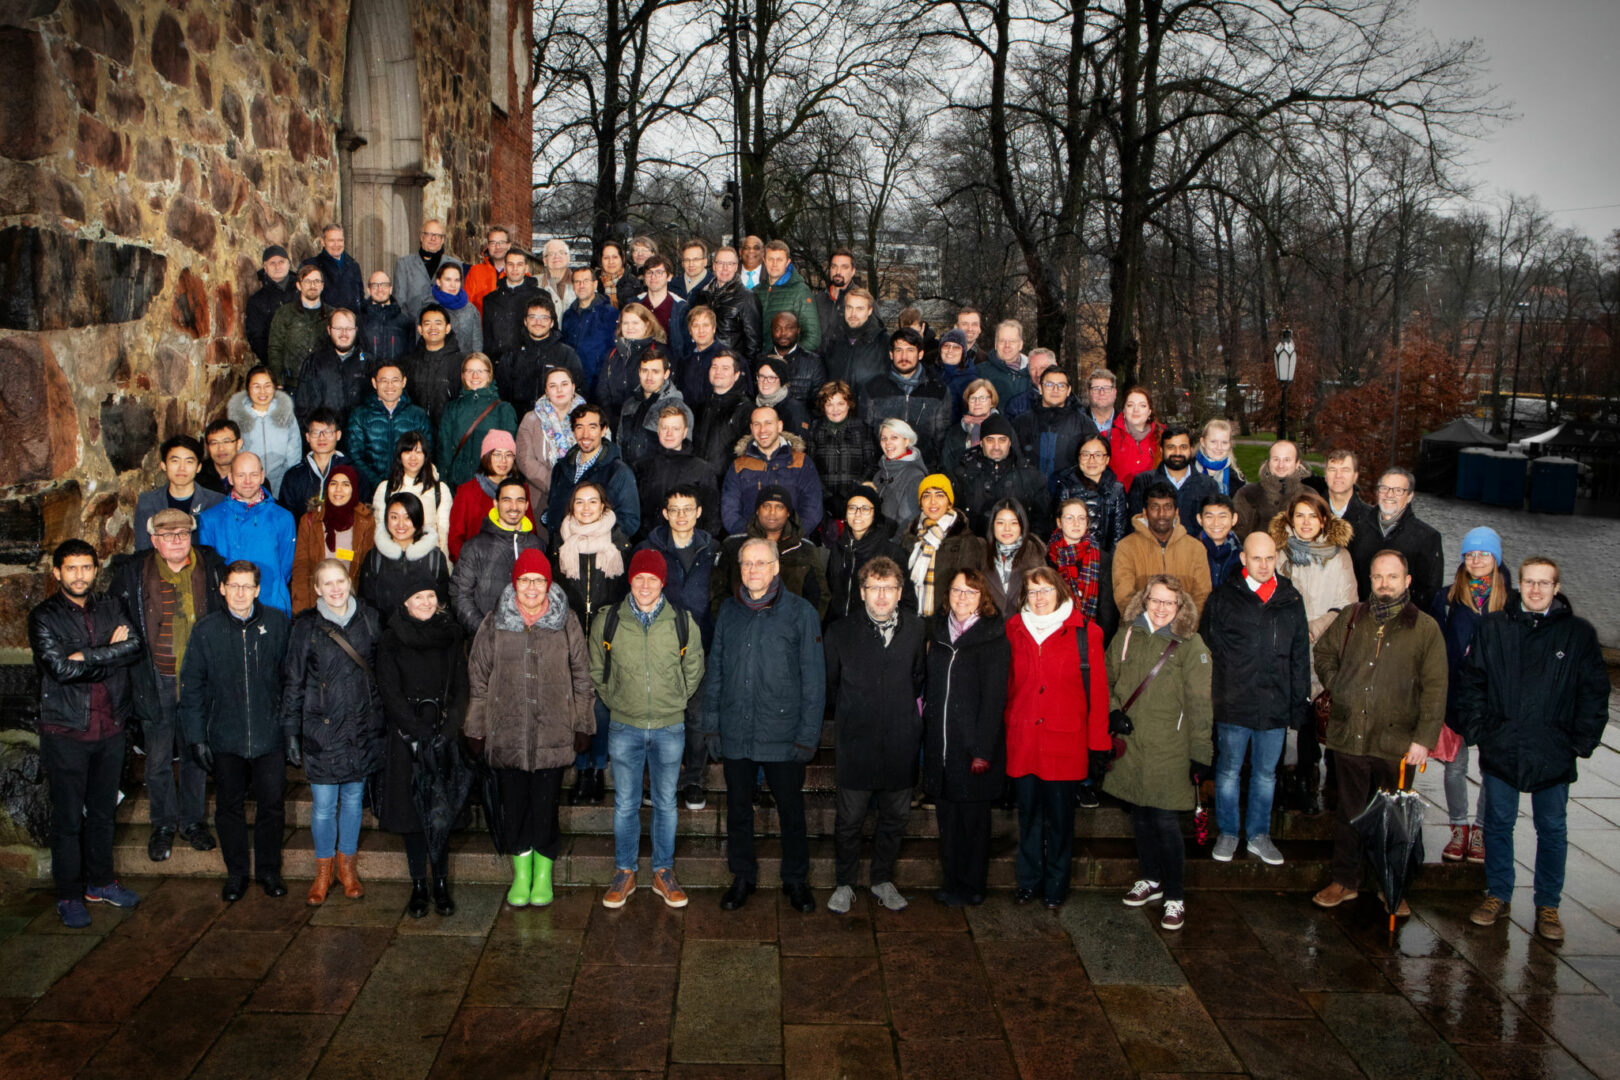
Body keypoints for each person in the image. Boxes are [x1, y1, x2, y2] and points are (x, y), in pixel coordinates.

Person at [1457, 557, 1611, 940]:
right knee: (1497, 824)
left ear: (1556, 588)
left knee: (1553, 828)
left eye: (1545, 583)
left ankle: (1548, 905)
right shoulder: (1493, 627)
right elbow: (1471, 681)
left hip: (1552, 750)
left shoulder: (1578, 634)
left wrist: (1579, 742)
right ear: (1518, 585)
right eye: (1530, 582)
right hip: (1503, 746)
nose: (1536, 590)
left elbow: (1594, 692)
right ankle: (1497, 893)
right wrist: (1481, 730)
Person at [1311, 550, 1447, 915]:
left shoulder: (1426, 628)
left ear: (1407, 581)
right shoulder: (1353, 617)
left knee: (1394, 818)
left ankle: (1392, 886)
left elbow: (1435, 688)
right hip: (1350, 736)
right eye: (1377, 577)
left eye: (1392, 577)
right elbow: (1323, 652)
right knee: (1349, 814)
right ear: (1370, 579)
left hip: (1396, 742)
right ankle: (1345, 881)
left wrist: (1423, 740)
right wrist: (1338, 685)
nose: (1384, 584)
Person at [465, 549, 595, 909]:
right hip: (506, 733)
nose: (532, 588)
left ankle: (543, 877)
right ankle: (521, 875)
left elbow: (583, 676)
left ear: (548, 584)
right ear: (515, 583)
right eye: (525, 580)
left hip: (553, 733)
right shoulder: (494, 622)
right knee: (514, 807)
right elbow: (478, 679)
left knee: (545, 808)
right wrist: (475, 728)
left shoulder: (565, 621)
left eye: (539, 580)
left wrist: (583, 722)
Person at [704, 536, 827, 913]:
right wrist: (712, 724)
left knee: (791, 811)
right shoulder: (728, 610)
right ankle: (742, 877)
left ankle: (796, 880)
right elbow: (717, 670)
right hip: (738, 730)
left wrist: (808, 736)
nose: (752, 570)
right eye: (746, 564)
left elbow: (813, 678)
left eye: (761, 563)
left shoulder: (801, 613)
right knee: (738, 810)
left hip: (783, 733)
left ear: (776, 567)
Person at [30, 540, 143, 927]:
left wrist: (88, 656)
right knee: (67, 820)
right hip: (66, 731)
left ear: (96, 570)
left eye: (86, 567)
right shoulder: (43, 617)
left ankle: (100, 883)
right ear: (57, 572)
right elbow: (60, 670)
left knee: (101, 814)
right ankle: (68, 895)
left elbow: (134, 647)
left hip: (110, 726)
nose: (80, 575)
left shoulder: (112, 606)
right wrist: (106, 654)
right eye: (71, 568)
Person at [590, 550, 707, 909]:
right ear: (630, 580)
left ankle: (663, 871)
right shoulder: (609, 620)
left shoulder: (681, 622)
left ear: (662, 583)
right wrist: (618, 701)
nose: (644, 585)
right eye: (638, 578)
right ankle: (625, 872)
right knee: (625, 803)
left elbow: (694, 670)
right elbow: (598, 669)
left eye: (652, 579)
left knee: (666, 803)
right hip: (625, 725)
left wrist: (674, 701)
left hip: (670, 727)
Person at [108, 508, 226, 860]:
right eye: (168, 534)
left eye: (182, 533)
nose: (176, 540)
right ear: (154, 540)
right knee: (158, 758)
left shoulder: (212, 567)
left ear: (192, 534)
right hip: (154, 677)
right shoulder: (134, 572)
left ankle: (192, 822)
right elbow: (114, 610)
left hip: (198, 680)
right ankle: (162, 824)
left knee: (195, 754)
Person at [179, 560, 292, 901]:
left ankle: (270, 871)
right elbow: (193, 687)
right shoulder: (206, 630)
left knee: (272, 806)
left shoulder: (277, 624)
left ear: (258, 590)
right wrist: (196, 737)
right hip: (225, 736)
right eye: (234, 586)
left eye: (248, 587)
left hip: (269, 734)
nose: (241, 593)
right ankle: (237, 873)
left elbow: (291, 681)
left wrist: (290, 729)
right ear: (223, 588)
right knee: (228, 807)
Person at [1107, 575, 1214, 931]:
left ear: (1180, 606)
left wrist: (1201, 753)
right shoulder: (1126, 636)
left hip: (1172, 747)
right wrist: (1112, 711)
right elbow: (1107, 681)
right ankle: (1150, 879)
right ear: (1144, 600)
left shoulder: (1190, 644)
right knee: (1140, 813)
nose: (1162, 607)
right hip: (1133, 745)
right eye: (1156, 600)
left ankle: (1175, 896)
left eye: (1170, 602)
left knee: (1166, 822)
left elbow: (1201, 704)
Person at [1199, 531, 1311, 866]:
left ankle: (1259, 835)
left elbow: (1299, 655)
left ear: (1277, 558)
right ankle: (1229, 832)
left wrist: (1298, 704)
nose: (1263, 565)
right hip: (1234, 702)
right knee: (1229, 769)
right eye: (1256, 558)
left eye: (1269, 558)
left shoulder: (1291, 599)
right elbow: (1208, 649)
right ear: (1243, 559)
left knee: (1266, 773)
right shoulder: (1223, 598)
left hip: (1274, 704)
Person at [823, 556, 927, 914]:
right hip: (856, 741)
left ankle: (882, 879)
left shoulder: (915, 630)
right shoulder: (840, 632)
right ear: (862, 591)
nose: (881, 596)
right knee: (849, 819)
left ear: (900, 592)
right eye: (874, 588)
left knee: (895, 817)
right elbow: (832, 684)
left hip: (901, 740)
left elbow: (918, 677)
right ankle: (844, 882)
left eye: (888, 588)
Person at [281, 558, 385, 905]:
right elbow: (293, 681)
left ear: (349, 582)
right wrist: (290, 731)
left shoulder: (369, 619)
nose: (336, 589)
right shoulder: (306, 627)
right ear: (317, 590)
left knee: (353, 801)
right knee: (324, 805)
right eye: (327, 584)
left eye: (340, 581)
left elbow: (381, 672)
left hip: (359, 726)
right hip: (321, 728)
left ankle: (347, 868)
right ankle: (323, 872)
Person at [1005, 566, 1110, 908]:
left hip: (1064, 743)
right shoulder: (1013, 630)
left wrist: (1098, 745)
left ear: (1060, 592)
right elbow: (1007, 689)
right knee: (1029, 816)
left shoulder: (1086, 633)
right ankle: (1029, 880)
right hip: (1024, 742)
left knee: (1061, 821)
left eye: (1045, 590)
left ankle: (1056, 884)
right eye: (1032, 592)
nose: (1038, 598)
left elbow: (1097, 693)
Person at [377, 581, 469, 918]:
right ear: (405, 601)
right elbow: (389, 689)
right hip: (407, 738)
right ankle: (419, 885)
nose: (427, 602)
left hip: (443, 734)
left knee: (441, 814)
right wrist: (415, 732)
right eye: (419, 596)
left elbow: (462, 688)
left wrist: (448, 730)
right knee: (413, 816)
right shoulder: (391, 638)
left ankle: (441, 883)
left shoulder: (450, 633)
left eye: (431, 596)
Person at [922, 569, 1009, 906]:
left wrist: (983, 750)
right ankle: (951, 881)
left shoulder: (993, 637)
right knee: (948, 821)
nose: (962, 598)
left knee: (973, 823)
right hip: (941, 745)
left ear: (982, 598)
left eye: (971, 593)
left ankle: (972, 885)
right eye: (957, 590)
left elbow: (994, 700)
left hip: (973, 747)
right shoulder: (937, 631)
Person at [1268, 490, 1357, 814]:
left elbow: (1348, 603)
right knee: (1283, 711)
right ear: (1291, 519)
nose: (1306, 523)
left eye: (1312, 516)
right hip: (1284, 646)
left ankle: (1307, 779)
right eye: (1300, 515)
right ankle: (1280, 780)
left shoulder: (1339, 556)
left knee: (1310, 714)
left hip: (1323, 646)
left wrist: (1316, 625)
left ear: (1323, 520)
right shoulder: (1278, 552)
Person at [1427, 527, 1511, 862]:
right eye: (1470, 554)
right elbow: (1433, 649)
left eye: (1484, 554)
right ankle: (1459, 827)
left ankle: (1481, 829)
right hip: (1456, 695)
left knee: (1491, 767)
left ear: (1496, 558)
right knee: (1454, 766)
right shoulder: (1446, 599)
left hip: (1494, 699)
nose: (1476, 561)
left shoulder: (1511, 602)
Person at [635, 485, 720, 809]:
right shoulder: (648, 549)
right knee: (657, 716)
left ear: (699, 512)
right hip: (659, 647)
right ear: (665, 513)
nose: (681, 515)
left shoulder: (713, 550)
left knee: (696, 718)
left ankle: (693, 780)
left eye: (688, 509)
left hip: (702, 646)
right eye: (675, 509)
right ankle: (656, 781)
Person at [550, 481, 632, 802]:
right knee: (574, 706)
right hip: (569, 638)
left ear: (603, 506)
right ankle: (580, 769)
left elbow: (626, 596)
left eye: (592, 502)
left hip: (606, 640)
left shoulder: (619, 545)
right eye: (579, 502)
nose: (586, 508)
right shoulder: (559, 543)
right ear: (571, 508)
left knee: (599, 710)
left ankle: (596, 769)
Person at [199, 452, 298, 615]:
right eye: (240, 475)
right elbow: (210, 571)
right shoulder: (211, 519)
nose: (247, 481)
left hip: (272, 604)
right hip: (228, 609)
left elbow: (286, 565)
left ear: (262, 476)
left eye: (253, 475)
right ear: (230, 478)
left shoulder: (283, 517)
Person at [713, 485, 829, 620]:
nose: (772, 512)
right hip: (742, 631)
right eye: (766, 506)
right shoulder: (734, 546)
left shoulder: (804, 549)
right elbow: (718, 594)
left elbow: (820, 596)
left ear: (788, 512)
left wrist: (802, 629)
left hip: (789, 632)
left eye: (779, 507)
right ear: (757, 510)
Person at [451, 477, 543, 633]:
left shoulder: (537, 546)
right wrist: (485, 631)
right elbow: (460, 595)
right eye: (507, 500)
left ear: (527, 505)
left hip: (529, 641)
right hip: (488, 642)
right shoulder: (475, 546)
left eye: (520, 500)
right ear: (496, 503)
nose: (514, 507)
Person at [1348, 467, 1445, 609]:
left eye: (1398, 490)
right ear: (1377, 492)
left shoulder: (1427, 537)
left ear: (1410, 495)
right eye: (1384, 488)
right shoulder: (1357, 530)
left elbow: (1430, 589)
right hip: (1362, 615)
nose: (1389, 495)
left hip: (1404, 620)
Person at [719, 405, 823, 537]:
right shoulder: (739, 465)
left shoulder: (801, 462)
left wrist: (789, 536)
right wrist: (753, 537)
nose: (762, 430)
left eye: (768, 423)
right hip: (750, 544)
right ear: (751, 428)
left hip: (792, 542)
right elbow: (729, 512)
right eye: (757, 424)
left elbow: (812, 508)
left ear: (779, 426)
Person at [544, 403, 642, 539]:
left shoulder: (619, 472)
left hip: (599, 554)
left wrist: (591, 539)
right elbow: (554, 508)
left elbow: (630, 521)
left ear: (603, 430)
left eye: (592, 427)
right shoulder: (561, 468)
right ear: (573, 431)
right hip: (562, 551)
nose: (585, 435)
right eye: (579, 427)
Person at [1113, 481, 1212, 615]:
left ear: (1176, 512)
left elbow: (1202, 596)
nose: (1161, 514)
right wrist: (1150, 625)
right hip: (1139, 630)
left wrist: (1184, 626)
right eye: (1155, 507)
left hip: (1184, 631)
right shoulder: (1126, 547)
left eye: (1167, 507)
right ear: (1145, 512)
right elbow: (1124, 596)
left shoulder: (1196, 548)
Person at [949, 413, 1051, 538]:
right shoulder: (962, 474)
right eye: (990, 440)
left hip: (1018, 551)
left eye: (1002, 440)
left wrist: (1028, 549)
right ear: (981, 443)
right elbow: (954, 520)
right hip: (974, 549)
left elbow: (1040, 522)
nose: (996, 446)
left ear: (1009, 442)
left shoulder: (1030, 477)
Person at [859, 328, 951, 465]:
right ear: (891, 354)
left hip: (923, 469)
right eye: (899, 350)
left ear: (920, 354)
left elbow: (941, 438)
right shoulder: (873, 388)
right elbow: (865, 434)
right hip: (883, 469)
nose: (904, 356)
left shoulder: (938, 390)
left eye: (910, 350)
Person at [901, 474, 987, 620]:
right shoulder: (909, 538)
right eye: (926, 496)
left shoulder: (965, 540)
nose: (932, 502)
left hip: (947, 621)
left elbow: (968, 590)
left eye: (940, 495)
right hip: (913, 620)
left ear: (949, 502)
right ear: (921, 503)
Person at [290, 465, 374, 612]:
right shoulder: (310, 521)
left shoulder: (366, 521)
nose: (338, 490)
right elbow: (301, 568)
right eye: (333, 483)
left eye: (345, 484)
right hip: (316, 605)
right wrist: (301, 610)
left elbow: (368, 572)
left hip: (352, 605)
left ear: (354, 488)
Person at [360, 491, 450, 628]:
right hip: (385, 640)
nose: (401, 525)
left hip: (424, 641)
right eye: (394, 517)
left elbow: (443, 605)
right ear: (386, 519)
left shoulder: (434, 557)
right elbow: (366, 605)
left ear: (418, 520)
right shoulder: (374, 557)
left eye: (408, 518)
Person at [342, 361, 433, 496]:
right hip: (370, 491)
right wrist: (379, 485)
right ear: (374, 383)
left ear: (403, 382)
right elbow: (354, 456)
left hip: (409, 491)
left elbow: (427, 452)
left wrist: (406, 483)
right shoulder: (359, 416)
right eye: (383, 381)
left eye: (395, 380)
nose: (390, 386)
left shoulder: (418, 416)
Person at [633, 406, 719, 540]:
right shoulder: (643, 466)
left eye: (675, 429)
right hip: (653, 542)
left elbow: (712, 518)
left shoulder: (702, 469)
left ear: (684, 432)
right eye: (664, 428)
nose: (669, 434)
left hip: (689, 544)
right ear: (658, 431)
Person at [436, 352, 517, 489]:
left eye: (480, 371)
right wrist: (443, 485)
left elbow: (509, 454)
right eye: (470, 371)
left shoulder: (503, 410)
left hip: (491, 486)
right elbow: (444, 451)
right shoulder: (452, 408)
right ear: (463, 375)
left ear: (489, 375)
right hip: (458, 485)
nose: (475, 376)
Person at [824, 490, 907, 622]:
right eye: (852, 508)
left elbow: (906, 602)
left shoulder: (891, 553)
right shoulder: (839, 548)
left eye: (865, 509)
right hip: (840, 630)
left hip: (874, 631)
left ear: (875, 514)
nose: (858, 514)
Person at [1047, 497, 1119, 647]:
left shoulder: (1102, 558)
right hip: (1056, 638)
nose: (1076, 523)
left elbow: (1107, 611)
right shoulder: (1048, 558)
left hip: (1093, 639)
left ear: (1088, 522)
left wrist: (1096, 642)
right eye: (1069, 518)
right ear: (1059, 522)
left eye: (1081, 518)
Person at [515, 365, 585, 518]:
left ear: (573, 387)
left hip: (583, 499)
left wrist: (582, 489)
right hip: (543, 497)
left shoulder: (590, 416)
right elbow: (525, 460)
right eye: (553, 386)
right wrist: (555, 485)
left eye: (564, 384)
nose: (559, 390)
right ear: (546, 391)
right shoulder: (531, 419)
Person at [371, 431, 454, 558]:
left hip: (428, 559)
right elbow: (380, 530)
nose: (413, 457)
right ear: (400, 456)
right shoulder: (385, 488)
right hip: (393, 559)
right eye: (408, 452)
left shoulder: (440, 490)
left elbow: (444, 533)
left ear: (425, 456)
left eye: (418, 452)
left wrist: (443, 566)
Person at [1126, 425, 1222, 534]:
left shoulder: (1208, 486)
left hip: (1194, 548)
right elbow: (1134, 527)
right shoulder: (1144, 482)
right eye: (1171, 447)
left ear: (1191, 449)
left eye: (1183, 447)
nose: (1177, 453)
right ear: (1162, 450)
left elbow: (1211, 528)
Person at [133, 435, 224, 547]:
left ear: (198, 467)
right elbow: (143, 549)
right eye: (175, 461)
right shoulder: (147, 502)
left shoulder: (217, 502)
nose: (182, 468)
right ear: (163, 465)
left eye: (189, 462)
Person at [497, 299, 585, 412]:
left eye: (544, 318)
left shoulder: (566, 354)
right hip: (519, 421)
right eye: (532, 317)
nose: (538, 322)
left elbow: (579, 391)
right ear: (525, 321)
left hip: (556, 422)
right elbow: (502, 394)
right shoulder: (512, 354)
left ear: (552, 323)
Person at [807, 381, 877, 521]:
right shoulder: (815, 429)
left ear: (849, 404)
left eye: (840, 403)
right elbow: (809, 467)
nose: (835, 409)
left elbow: (871, 465)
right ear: (823, 407)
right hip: (824, 502)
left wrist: (852, 492)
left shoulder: (863, 429)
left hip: (856, 499)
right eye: (829, 404)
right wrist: (827, 496)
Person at [618, 346, 695, 468]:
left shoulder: (677, 407)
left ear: (666, 374)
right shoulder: (629, 404)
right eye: (645, 371)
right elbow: (619, 442)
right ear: (639, 372)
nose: (649, 377)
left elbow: (684, 453)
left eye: (655, 371)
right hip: (630, 476)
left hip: (658, 478)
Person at [293, 309, 371, 430]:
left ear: (356, 330)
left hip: (359, 438)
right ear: (329, 330)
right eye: (338, 328)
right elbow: (303, 407)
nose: (343, 333)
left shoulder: (368, 362)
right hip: (326, 438)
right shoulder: (314, 362)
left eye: (348, 329)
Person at [449, 430, 521, 560]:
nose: (503, 461)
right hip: (475, 567)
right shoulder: (466, 492)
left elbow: (530, 533)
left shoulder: (521, 490)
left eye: (508, 455)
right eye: (497, 454)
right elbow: (455, 540)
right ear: (486, 456)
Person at [1011, 363, 1089, 483]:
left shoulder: (1083, 424)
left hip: (1069, 494)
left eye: (1061, 385)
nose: (1055, 390)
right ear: (1040, 389)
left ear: (1068, 390)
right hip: (1029, 493)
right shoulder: (1021, 422)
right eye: (1049, 385)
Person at [1051, 437, 1130, 552]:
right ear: (1078, 457)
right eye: (1086, 454)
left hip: (1105, 558)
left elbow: (1119, 533)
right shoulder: (1066, 487)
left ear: (1107, 459)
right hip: (1070, 555)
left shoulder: (1116, 489)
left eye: (1098, 455)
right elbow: (1057, 530)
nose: (1091, 460)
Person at [691, 245, 763, 363]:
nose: (725, 268)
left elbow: (754, 344)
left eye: (730, 264)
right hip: (704, 363)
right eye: (720, 263)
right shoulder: (702, 295)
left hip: (731, 367)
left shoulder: (747, 298)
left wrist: (742, 372)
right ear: (714, 266)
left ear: (736, 267)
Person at [398, 304, 465, 430]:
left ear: (447, 328)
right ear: (420, 329)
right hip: (416, 434)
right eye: (427, 323)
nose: (433, 328)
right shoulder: (408, 363)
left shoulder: (461, 362)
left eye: (438, 323)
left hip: (450, 434)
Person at [277, 407, 352, 518]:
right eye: (316, 432)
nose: (321, 438)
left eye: (328, 432)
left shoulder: (353, 473)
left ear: (338, 435)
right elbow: (285, 517)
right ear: (307, 437)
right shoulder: (293, 476)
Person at [266, 263, 331, 390]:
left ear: (322, 286)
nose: (312, 285)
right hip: (293, 385)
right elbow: (275, 349)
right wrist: (278, 381)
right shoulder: (284, 313)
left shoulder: (332, 315)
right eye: (307, 281)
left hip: (323, 384)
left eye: (317, 281)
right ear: (298, 285)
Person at [1233, 439, 1312, 540]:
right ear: (1268, 462)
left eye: (1287, 460)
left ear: (1297, 463)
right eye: (1276, 459)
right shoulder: (1247, 494)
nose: (1281, 465)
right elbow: (1238, 535)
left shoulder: (1309, 495)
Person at [695, 349, 757, 478]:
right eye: (714, 367)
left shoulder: (746, 409)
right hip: (700, 481)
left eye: (725, 368)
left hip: (729, 482)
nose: (718, 372)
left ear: (736, 375)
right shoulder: (700, 407)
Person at [982, 499, 1048, 618]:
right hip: (989, 629)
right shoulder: (981, 552)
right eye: (1000, 523)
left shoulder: (1034, 553)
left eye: (1014, 523)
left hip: (1023, 628)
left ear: (1022, 526)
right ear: (992, 525)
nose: (1007, 529)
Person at [753, 240, 821, 352]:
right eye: (771, 259)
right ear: (764, 261)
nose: (774, 264)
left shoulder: (800, 291)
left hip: (788, 364)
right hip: (760, 362)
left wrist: (787, 358)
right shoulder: (756, 291)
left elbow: (813, 337)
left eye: (779, 260)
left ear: (788, 262)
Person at [595, 301, 663, 413]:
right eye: (625, 323)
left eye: (635, 323)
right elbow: (602, 390)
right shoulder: (613, 353)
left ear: (647, 325)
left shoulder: (658, 351)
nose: (630, 327)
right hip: (614, 420)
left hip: (644, 419)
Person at [481, 248, 544, 364]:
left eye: (519, 264)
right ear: (505, 267)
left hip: (531, 364)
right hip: (499, 365)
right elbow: (487, 339)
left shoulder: (541, 296)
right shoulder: (490, 300)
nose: (515, 269)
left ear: (526, 268)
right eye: (511, 264)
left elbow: (550, 332)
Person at [820, 286, 888, 391]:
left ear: (869, 311)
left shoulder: (883, 342)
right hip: (838, 406)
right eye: (849, 307)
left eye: (859, 309)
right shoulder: (831, 340)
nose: (853, 314)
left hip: (869, 405)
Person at [563, 264, 620, 388]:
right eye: (577, 282)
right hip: (573, 381)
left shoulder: (610, 314)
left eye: (586, 281)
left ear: (595, 284)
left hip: (599, 383)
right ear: (573, 286)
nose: (581, 285)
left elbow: (615, 351)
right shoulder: (568, 315)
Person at [631, 256, 694, 363]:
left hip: (670, 368)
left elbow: (686, 347)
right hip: (639, 365)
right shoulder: (634, 304)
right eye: (649, 272)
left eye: (659, 272)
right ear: (644, 277)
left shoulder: (680, 308)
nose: (653, 277)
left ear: (669, 277)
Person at [393, 218, 459, 319]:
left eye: (438, 236)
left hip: (446, 328)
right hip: (412, 327)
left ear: (443, 240)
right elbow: (399, 301)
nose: (434, 239)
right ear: (421, 237)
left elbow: (458, 298)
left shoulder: (455, 265)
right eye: (430, 234)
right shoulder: (404, 264)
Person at [869, 417, 927, 529]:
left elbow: (907, 523)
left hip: (894, 543)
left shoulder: (915, 476)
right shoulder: (879, 474)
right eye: (883, 438)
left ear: (906, 441)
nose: (887, 443)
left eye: (894, 437)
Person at [763, 313, 828, 406]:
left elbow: (820, 403)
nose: (783, 333)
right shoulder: (761, 361)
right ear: (771, 331)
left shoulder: (813, 362)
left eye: (789, 328)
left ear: (798, 331)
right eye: (777, 329)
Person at [245, 244, 295, 363]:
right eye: (272, 263)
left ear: (288, 264)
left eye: (281, 262)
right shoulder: (256, 301)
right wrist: (274, 362)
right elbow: (256, 337)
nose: (277, 266)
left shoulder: (303, 291)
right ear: (265, 268)